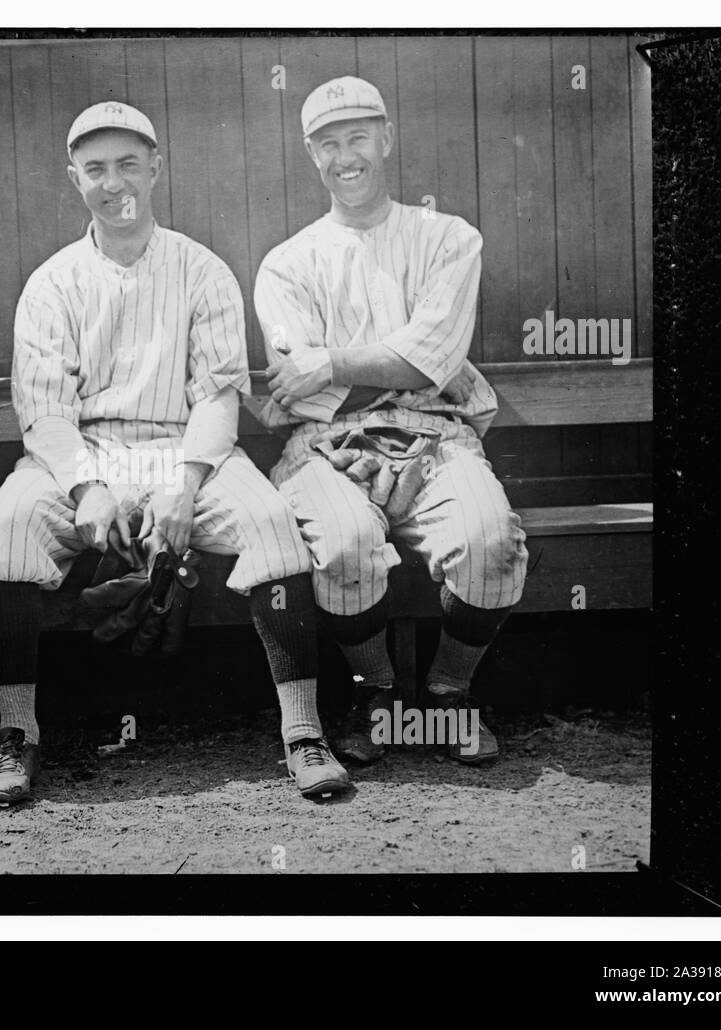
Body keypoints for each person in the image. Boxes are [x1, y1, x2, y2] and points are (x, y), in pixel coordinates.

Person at [0, 101, 351, 803]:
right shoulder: (52, 282)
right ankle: (15, 736)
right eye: (95, 170)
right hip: (83, 455)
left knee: (270, 524)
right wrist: (87, 488)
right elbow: (45, 411)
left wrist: (184, 486)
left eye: (127, 164)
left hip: (186, 453)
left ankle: (303, 732)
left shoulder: (201, 269)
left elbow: (217, 394)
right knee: (5, 529)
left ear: (156, 167)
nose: (113, 182)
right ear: (73, 178)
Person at [255, 76, 529, 765]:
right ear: (311, 156)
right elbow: (300, 389)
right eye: (328, 144)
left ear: (386, 140)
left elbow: (432, 360)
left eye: (358, 138)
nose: (346, 157)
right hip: (322, 445)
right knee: (345, 547)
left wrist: (333, 363)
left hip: (436, 430)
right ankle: (375, 691)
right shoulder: (285, 263)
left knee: (490, 542)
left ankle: (448, 692)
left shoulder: (448, 238)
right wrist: (366, 366)